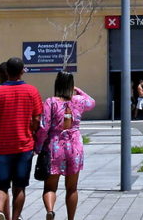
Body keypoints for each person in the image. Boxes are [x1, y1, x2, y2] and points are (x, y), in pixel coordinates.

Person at [0, 57, 43, 220]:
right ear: (22, 71)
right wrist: (32, 131)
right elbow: (37, 119)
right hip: (24, 146)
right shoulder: (32, 91)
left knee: (1, 186)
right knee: (19, 187)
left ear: (7, 72)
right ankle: (15, 218)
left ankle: (0, 211)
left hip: (1, 147)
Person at [36, 72, 96, 220]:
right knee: (72, 188)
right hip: (74, 147)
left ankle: (50, 210)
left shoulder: (50, 102)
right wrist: (78, 90)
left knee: (50, 187)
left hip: (54, 146)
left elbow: (44, 127)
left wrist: (38, 146)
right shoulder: (79, 101)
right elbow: (92, 102)